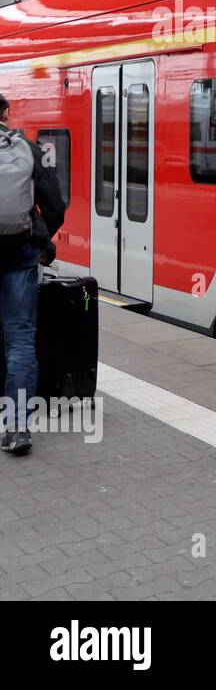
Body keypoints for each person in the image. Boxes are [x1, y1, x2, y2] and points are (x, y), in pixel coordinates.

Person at [0, 94, 66, 455]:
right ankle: (17, 428)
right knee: (21, 340)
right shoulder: (29, 148)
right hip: (19, 254)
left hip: (19, 253)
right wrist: (38, 235)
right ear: (6, 113)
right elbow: (55, 205)